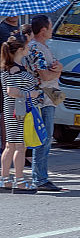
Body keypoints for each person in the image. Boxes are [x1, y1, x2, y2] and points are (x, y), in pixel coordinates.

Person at [26, 15, 64, 191]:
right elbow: (45, 75)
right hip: (42, 99)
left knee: (45, 137)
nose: (51, 30)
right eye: (50, 27)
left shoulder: (43, 47)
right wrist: (57, 72)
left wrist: (57, 68)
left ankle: (40, 176)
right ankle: (40, 178)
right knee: (44, 138)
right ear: (43, 30)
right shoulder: (36, 49)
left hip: (49, 97)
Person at [2, 34, 41, 193]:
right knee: (19, 146)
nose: (29, 48)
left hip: (13, 108)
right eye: (26, 46)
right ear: (20, 49)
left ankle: (5, 179)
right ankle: (20, 181)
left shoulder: (11, 66)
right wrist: (31, 94)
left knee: (11, 145)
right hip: (17, 109)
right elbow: (12, 91)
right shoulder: (15, 68)